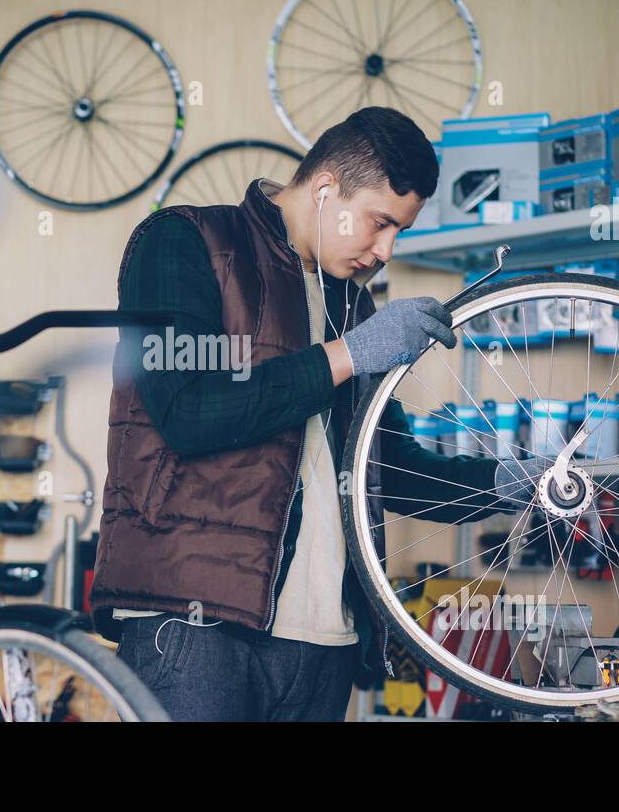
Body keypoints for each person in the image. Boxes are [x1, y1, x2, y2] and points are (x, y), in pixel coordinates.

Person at [90, 107, 542, 721]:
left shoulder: (351, 305)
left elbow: (389, 470)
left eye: (400, 231)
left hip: (326, 643)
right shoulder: (187, 242)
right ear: (327, 188)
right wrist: (349, 354)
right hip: (196, 627)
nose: (386, 250)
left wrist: (504, 484)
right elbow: (189, 412)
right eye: (381, 223)